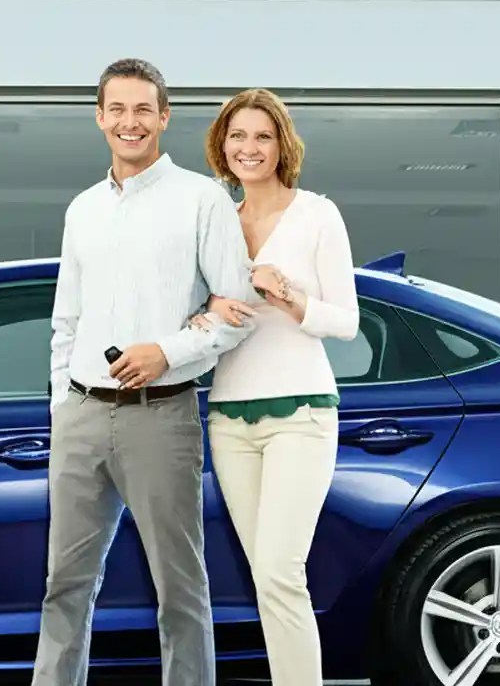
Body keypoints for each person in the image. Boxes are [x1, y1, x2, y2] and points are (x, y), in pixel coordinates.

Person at [32, 58, 258, 686]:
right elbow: (65, 318)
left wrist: (168, 351)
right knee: (64, 586)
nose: (129, 123)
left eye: (142, 110)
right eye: (117, 110)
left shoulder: (202, 199)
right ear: (99, 118)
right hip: (80, 417)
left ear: (163, 117)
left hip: (161, 416)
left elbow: (238, 313)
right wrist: (63, 406)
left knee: (179, 589)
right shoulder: (82, 210)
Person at [192, 88, 359, 686]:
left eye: (262, 136)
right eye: (238, 136)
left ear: (282, 145)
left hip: (302, 412)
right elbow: (205, 319)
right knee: (265, 576)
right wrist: (200, 316)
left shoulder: (316, 213)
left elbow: (347, 321)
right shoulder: (217, 222)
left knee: (282, 570)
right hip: (231, 415)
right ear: (222, 146)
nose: (249, 148)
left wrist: (289, 296)